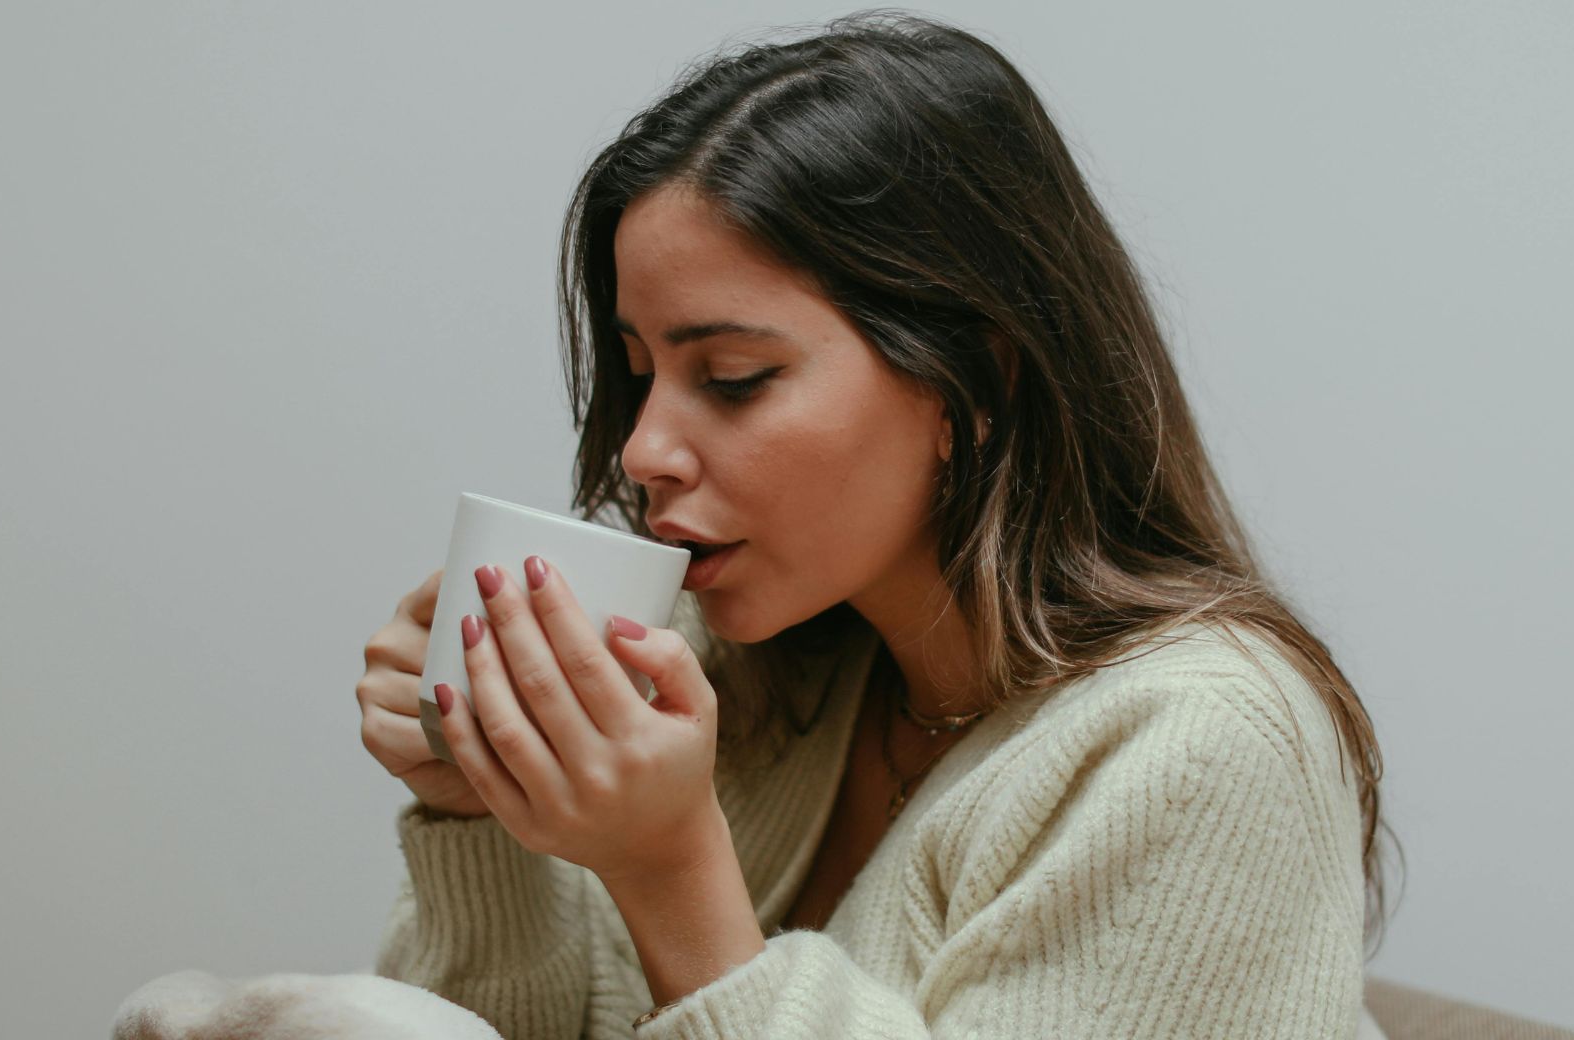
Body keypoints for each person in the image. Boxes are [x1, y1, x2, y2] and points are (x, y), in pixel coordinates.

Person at [355, 10, 1397, 1039]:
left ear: (974, 378)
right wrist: (478, 812)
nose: (640, 450)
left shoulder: (1201, 746)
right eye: (640, 376)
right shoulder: (745, 672)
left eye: (732, 376)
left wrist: (670, 873)